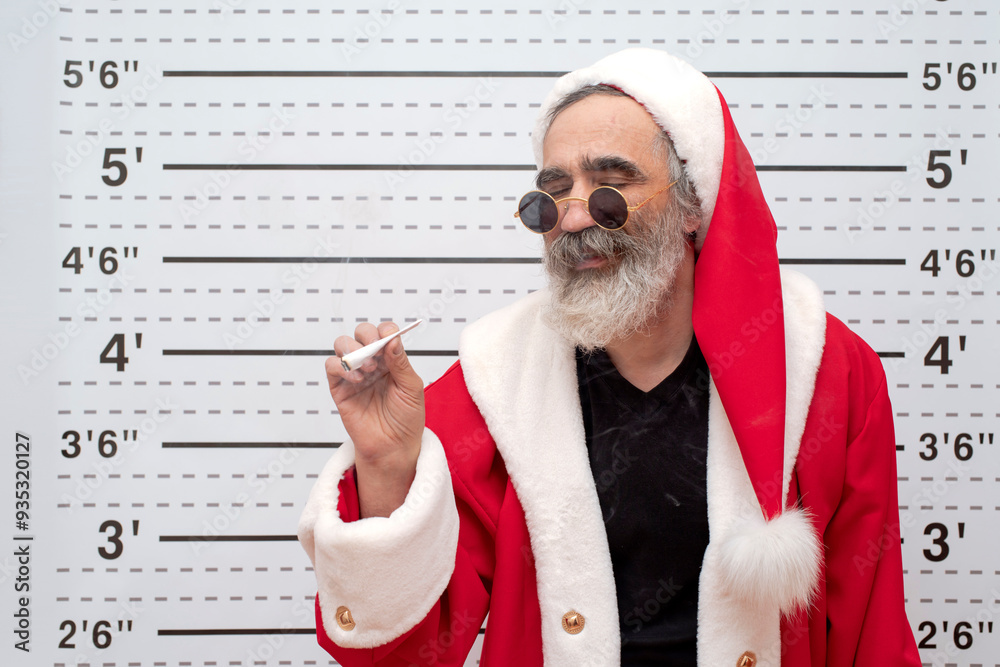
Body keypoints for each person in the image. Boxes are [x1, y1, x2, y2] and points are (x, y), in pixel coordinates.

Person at [298, 48, 921, 666]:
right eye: (551, 194)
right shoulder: (495, 379)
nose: (571, 220)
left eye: (610, 188)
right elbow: (407, 651)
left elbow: (869, 631)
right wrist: (384, 466)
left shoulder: (825, 371)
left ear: (692, 203)